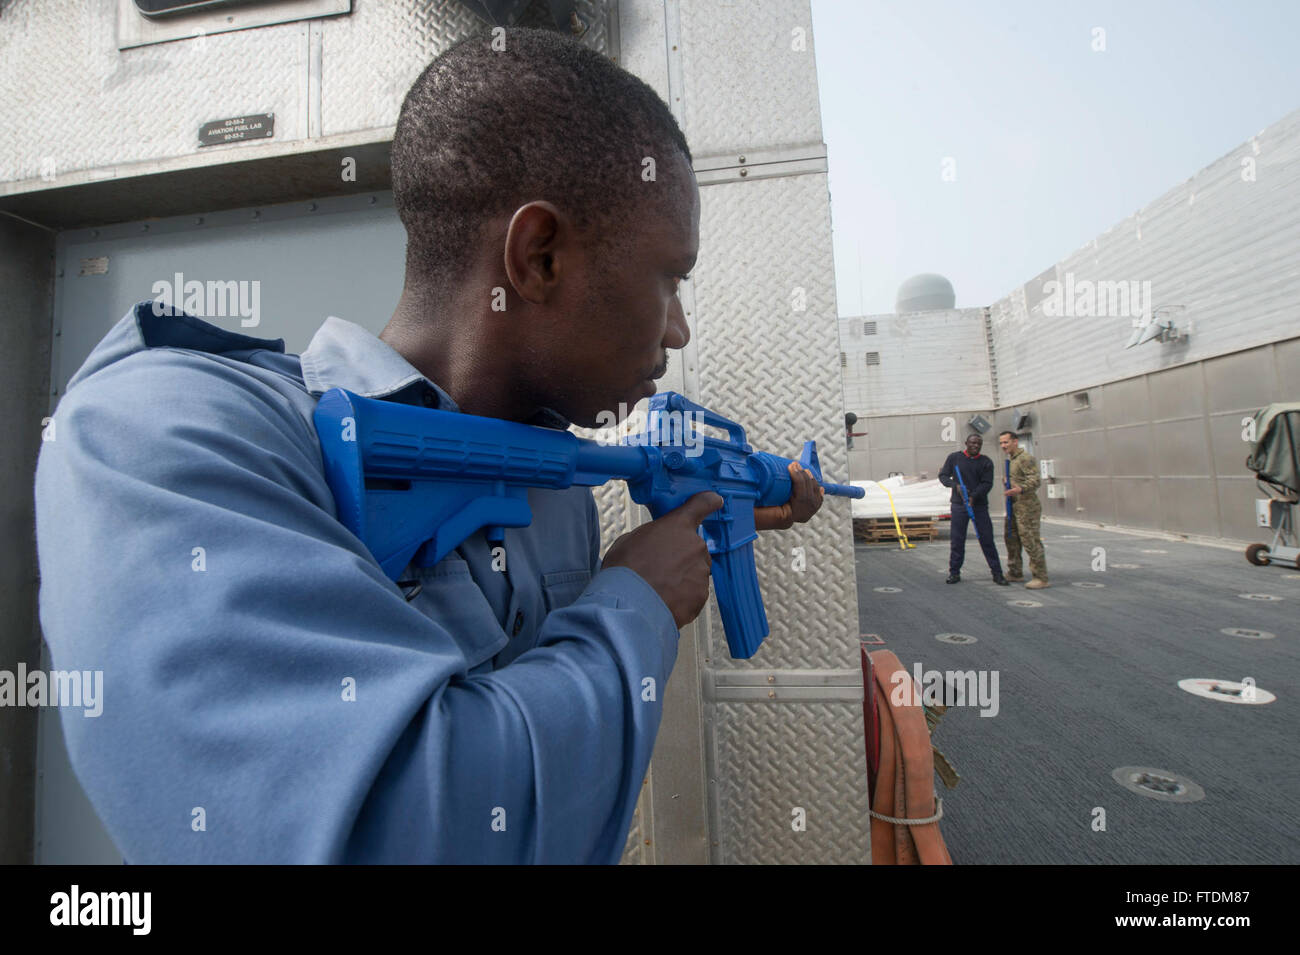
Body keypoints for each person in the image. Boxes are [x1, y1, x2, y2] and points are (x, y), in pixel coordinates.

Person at [32, 28, 825, 864]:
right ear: (538, 256)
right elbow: (395, 827)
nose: (677, 327)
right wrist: (639, 599)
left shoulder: (555, 487)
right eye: (670, 278)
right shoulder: (162, 432)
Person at [938, 433, 1008, 585]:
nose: (975, 446)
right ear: (966, 443)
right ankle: (954, 573)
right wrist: (954, 486)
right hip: (959, 505)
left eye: (978, 444)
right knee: (957, 541)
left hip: (979, 506)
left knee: (987, 539)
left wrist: (974, 496)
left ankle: (997, 573)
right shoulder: (954, 458)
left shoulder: (986, 462)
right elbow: (943, 476)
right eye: (973, 443)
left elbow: (987, 483)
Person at [998, 430, 1049, 588]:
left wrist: (1020, 488)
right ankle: (1015, 572)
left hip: (1027, 507)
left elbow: (1035, 480)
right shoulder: (1011, 460)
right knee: (1011, 539)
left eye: (1006, 442)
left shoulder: (1025, 458)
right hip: (1014, 506)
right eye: (1001, 443)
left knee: (1030, 541)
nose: (1003, 446)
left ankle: (1041, 577)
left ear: (1015, 441)